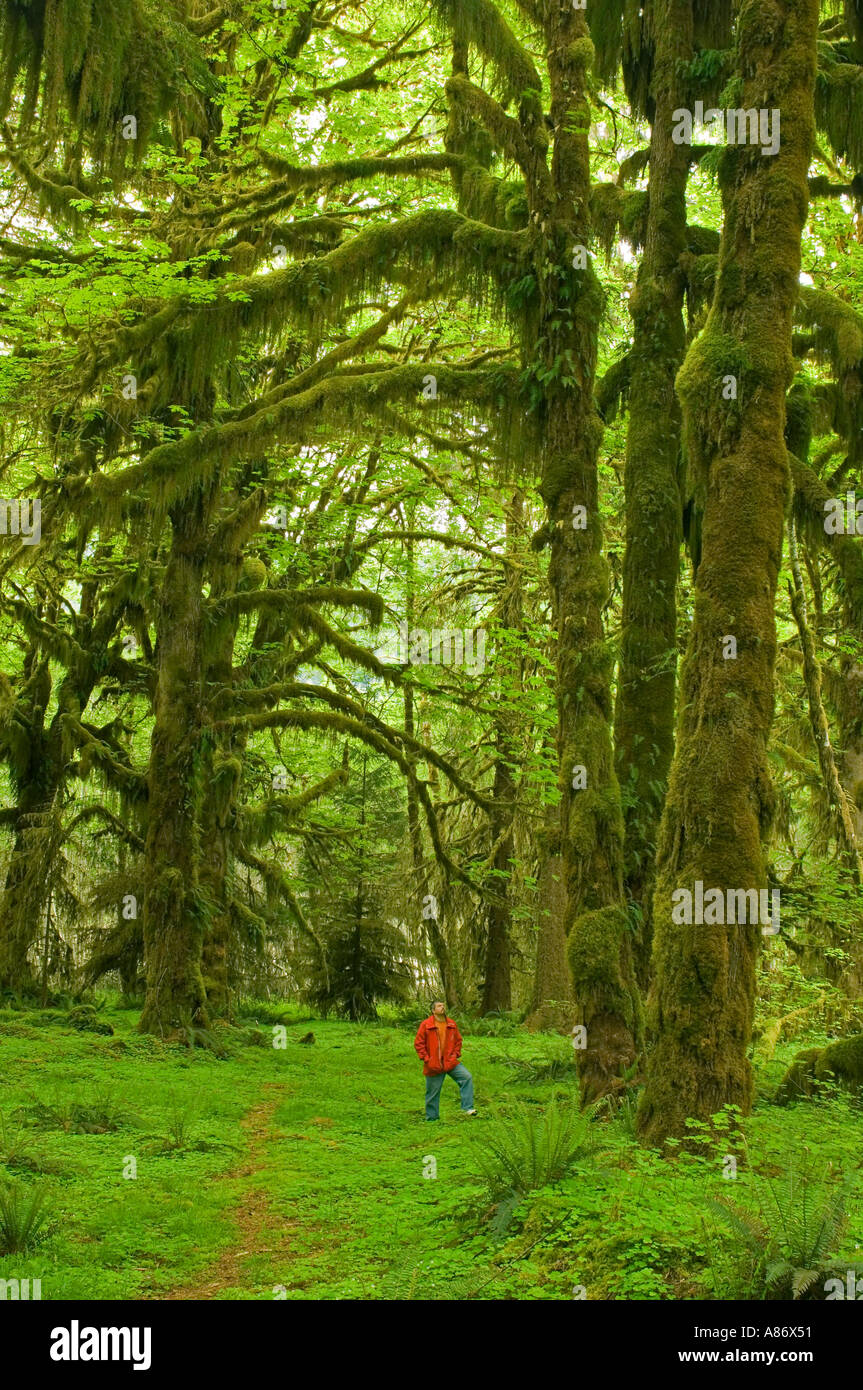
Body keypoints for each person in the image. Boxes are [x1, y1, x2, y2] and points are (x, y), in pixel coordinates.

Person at [413, 1000, 477, 1120]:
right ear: (433, 1010)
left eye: (443, 1005)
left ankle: (467, 1109)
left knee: (466, 1077)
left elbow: (458, 1041)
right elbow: (418, 1043)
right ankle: (432, 1119)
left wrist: (455, 1054)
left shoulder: (451, 1024)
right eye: (439, 1006)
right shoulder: (426, 1024)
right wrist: (427, 1059)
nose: (442, 1007)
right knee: (432, 1093)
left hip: (450, 1062)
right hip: (433, 1064)